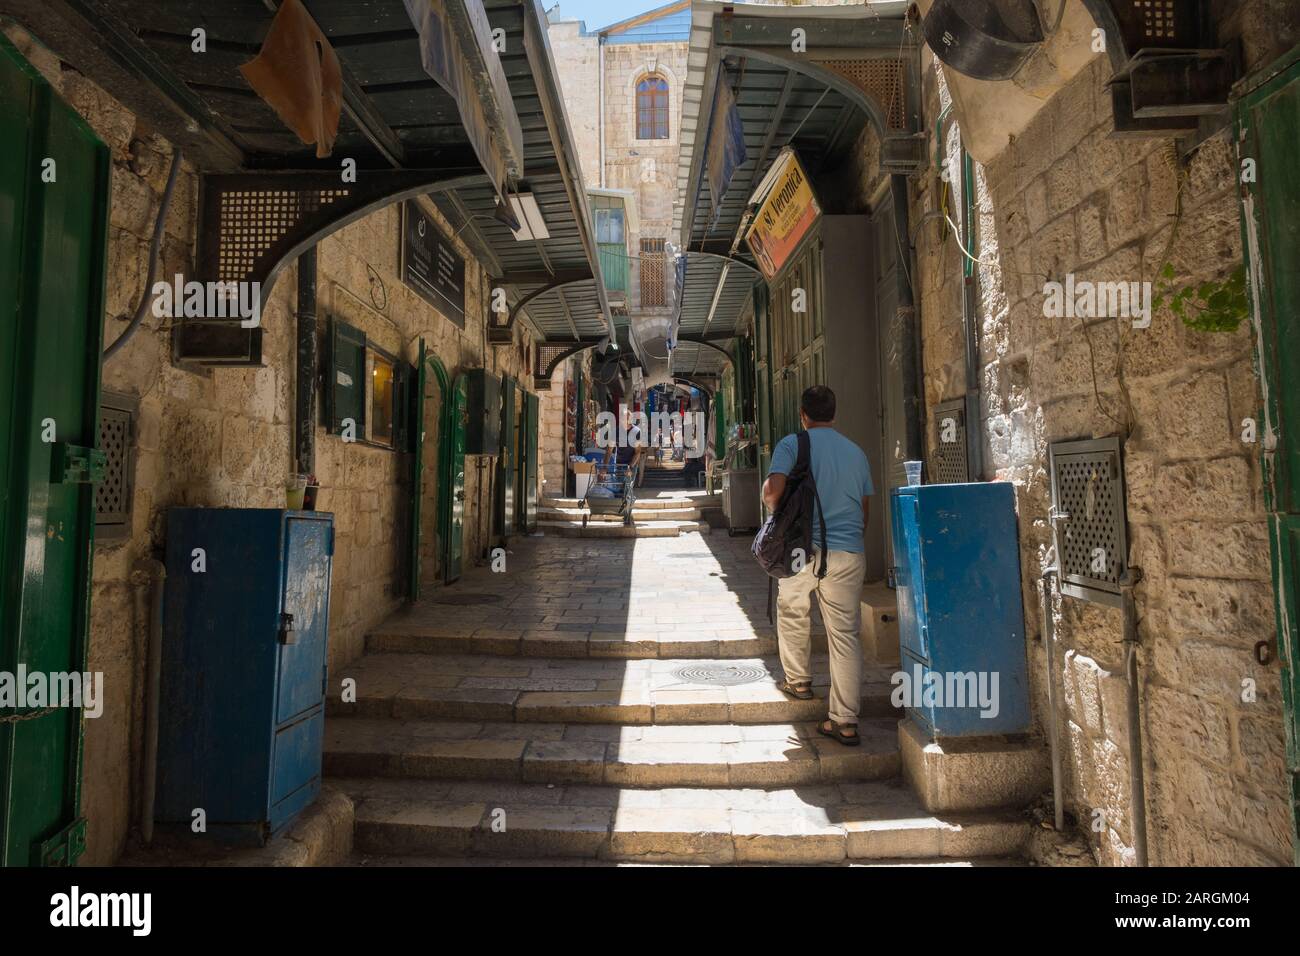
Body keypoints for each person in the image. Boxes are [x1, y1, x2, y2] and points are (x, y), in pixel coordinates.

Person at [761, 385, 873, 746]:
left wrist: (777, 514)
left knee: (792, 610)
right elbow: (864, 510)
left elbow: (772, 490)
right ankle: (844, 720)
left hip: (802, 549)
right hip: (848, 551)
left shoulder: (793, 445)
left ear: (803, 415)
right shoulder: (857, 453)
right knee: (844, 634)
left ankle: (798, 681)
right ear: (834, 414)